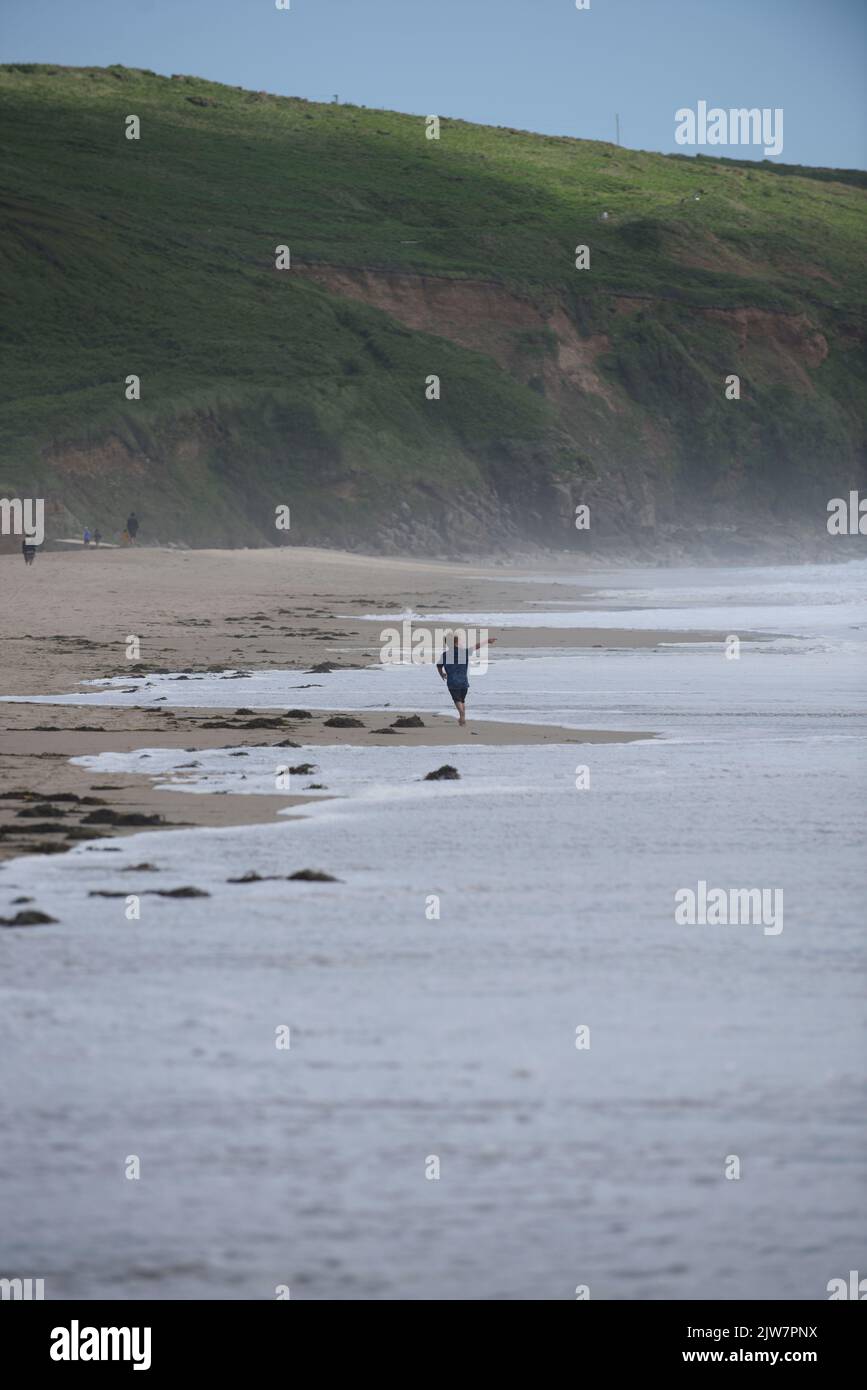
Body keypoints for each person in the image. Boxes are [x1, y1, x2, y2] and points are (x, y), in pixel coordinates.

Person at [436, 633, 496, 726]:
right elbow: (476, 646)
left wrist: (442, 674)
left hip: (452, 682)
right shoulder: (464, 652)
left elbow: (439, 666)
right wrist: (487, 641)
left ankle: (462, 714)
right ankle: (462, 718)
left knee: (457, 700)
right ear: (457, 642)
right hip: (464, 681)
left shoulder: (445, 655)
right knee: (462, 700)